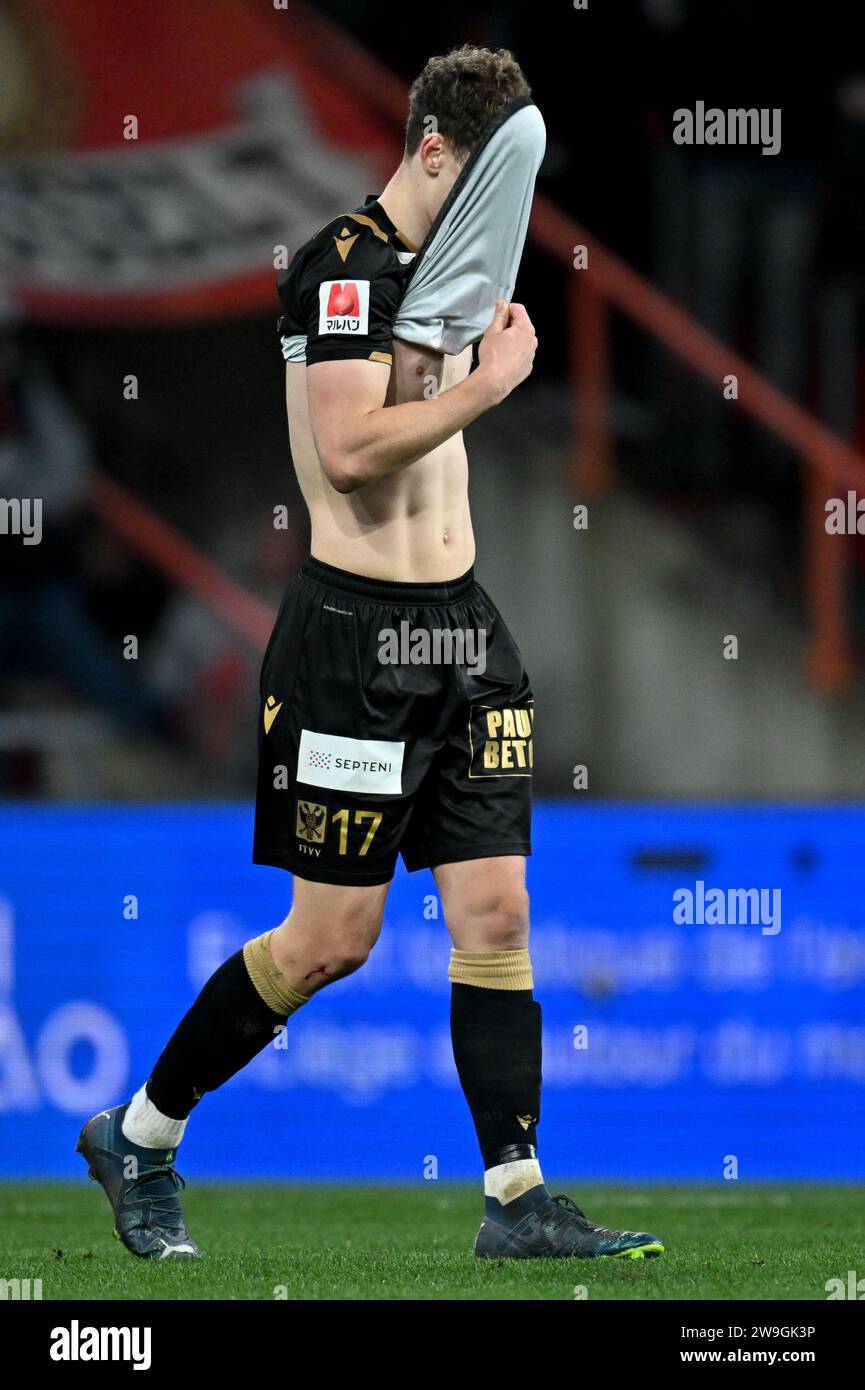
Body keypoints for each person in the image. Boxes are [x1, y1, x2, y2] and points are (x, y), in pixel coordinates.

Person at [78, 46, 664, 1263]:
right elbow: (347, 457)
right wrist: (490, 385)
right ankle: (142, 1132)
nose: (495, 214)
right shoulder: (341, 271)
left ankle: (516, 1199)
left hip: (464, 628)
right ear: (435, 152)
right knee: (330, 941)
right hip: (354, 643)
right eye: (484, 183)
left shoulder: (445, 270)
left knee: (496, 909)